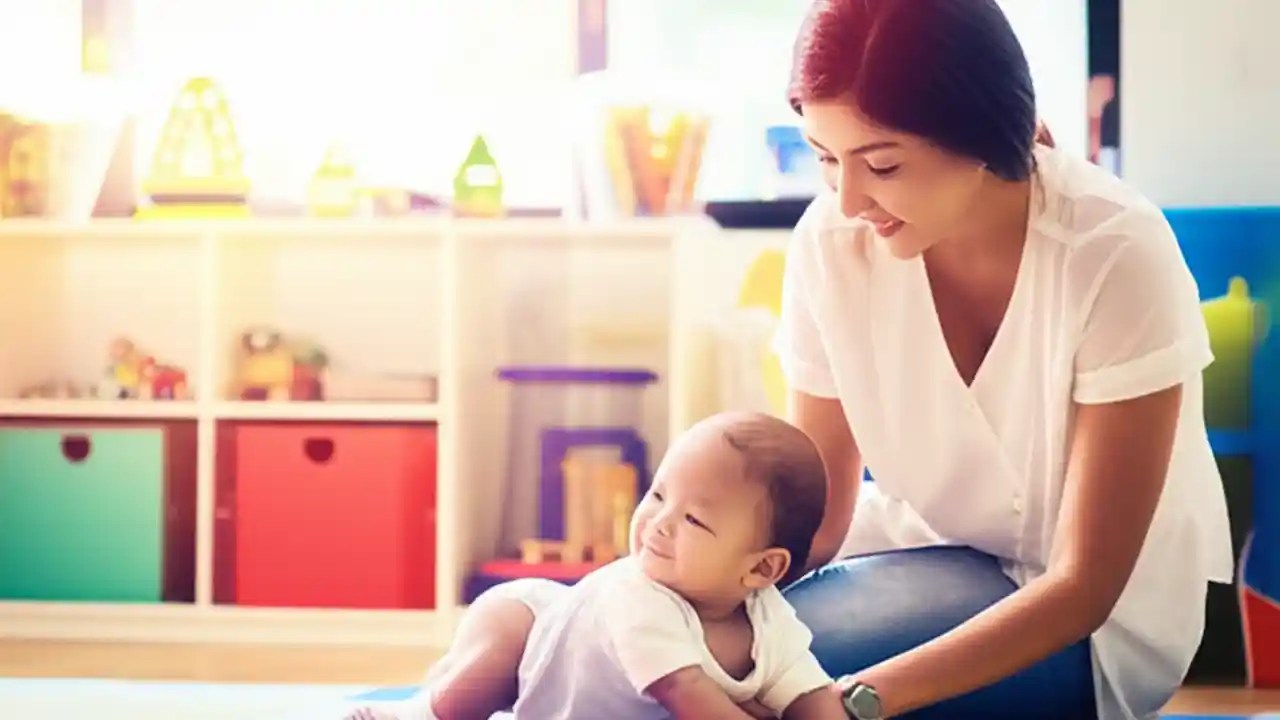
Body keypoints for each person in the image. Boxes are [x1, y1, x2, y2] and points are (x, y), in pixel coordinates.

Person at [772, 0, 1234, 718]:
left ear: (981, 133)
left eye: (882, 164)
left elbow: (1085, 586)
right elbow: (820, 520)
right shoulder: (829, 245)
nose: (849, 198)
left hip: (1091, 618)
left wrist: (857, 702)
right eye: (825, 158)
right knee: (704, 644)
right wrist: (698, 597)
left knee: (790, 672)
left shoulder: (1113, 250)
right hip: (927, 551)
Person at [345, 411, 847, 720]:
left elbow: (811, 692)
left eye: (693, 519)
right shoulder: (639, 595)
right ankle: (414, 712)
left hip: (577, 650)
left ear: (761, 570)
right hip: (533, 627)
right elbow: (685, 692)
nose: (659, 522)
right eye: (658, 494)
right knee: (471, 694)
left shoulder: (768, 619)